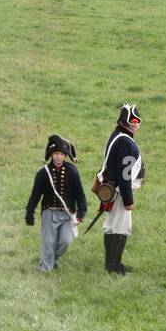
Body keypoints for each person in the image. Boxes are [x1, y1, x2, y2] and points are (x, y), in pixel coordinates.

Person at [25, 135, 86, 272]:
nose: (58, 157)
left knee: (65, 241)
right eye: (55, 154)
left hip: (67, 214)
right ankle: (45, 270)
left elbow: (80, 195)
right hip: (49, 212)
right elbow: (35, 195)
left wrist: (80, 214)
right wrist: (30, 212)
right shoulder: (43, 173)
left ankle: (53, 259)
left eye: (61, 154)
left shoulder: (73, 172)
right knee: (48, 243)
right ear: (51, 155)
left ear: (65, 155)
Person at [97, 104, 143, 274]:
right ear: (130, 123)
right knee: (120, 227)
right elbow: (125, 174)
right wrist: (128, 199)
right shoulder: (125, 141)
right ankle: (114, 267)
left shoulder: (118, 135)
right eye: (136, 122)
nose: (138, 125)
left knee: (112, 226)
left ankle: (112, 265)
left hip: (113, 188)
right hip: (119, 191)